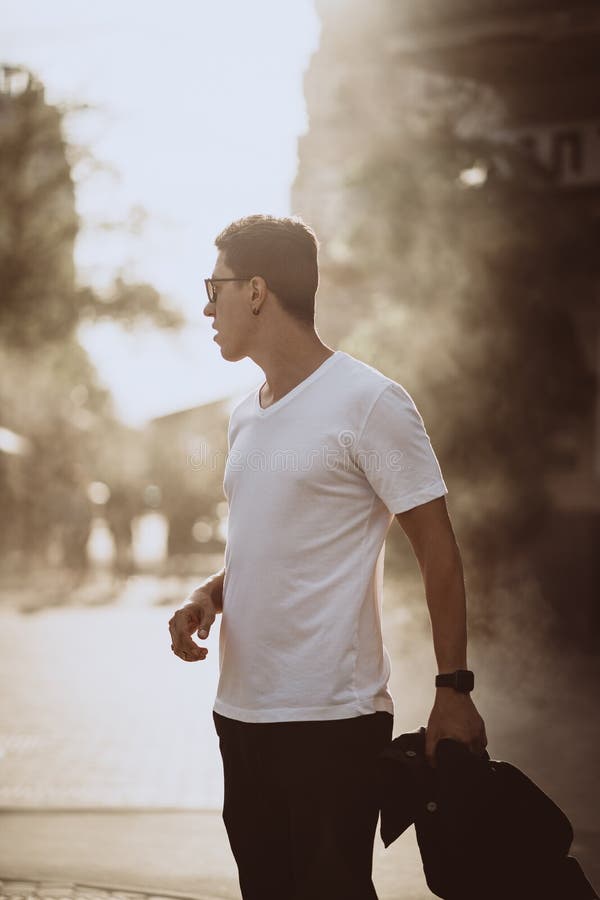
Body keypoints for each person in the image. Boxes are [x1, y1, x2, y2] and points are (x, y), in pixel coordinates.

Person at [168, 214, 487, 900]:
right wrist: (210, 594)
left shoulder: (369, 402)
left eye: (214, 286)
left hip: (330, 720)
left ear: (256, 291)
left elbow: (438, 550)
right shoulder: (245, 414)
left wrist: (452, 689)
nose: (206, 306)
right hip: (241, 713)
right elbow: (276, 541)